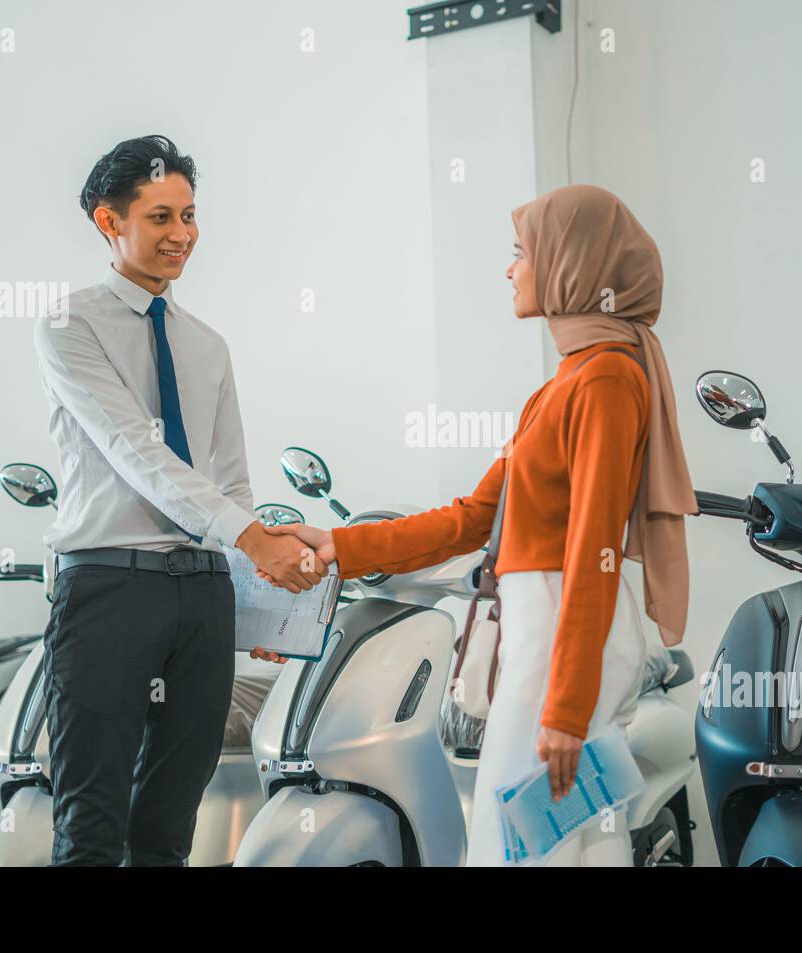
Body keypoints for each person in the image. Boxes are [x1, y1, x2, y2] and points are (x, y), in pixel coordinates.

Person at [260, 184, 698, 866]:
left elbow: (592, 552)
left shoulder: (606, 378)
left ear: (569, 264)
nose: (509, 269)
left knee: (542, 844)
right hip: (542, 628)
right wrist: (341, 545)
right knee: (552, 842)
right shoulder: (564, 383)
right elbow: (475, 517)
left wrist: (567, 709)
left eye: (521, 253)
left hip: (564, 628)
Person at [34, 135, 325, 866]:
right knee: (91, 826)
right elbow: (136, 450)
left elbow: (232, 483)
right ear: (110, 221)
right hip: (108, 587)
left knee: (168, 829)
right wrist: (254, 539)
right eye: (161, 217)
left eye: (190, 216)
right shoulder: (69, 326)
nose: (183, 235)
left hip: (201, 594)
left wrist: (257, 596)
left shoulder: (207, 345)